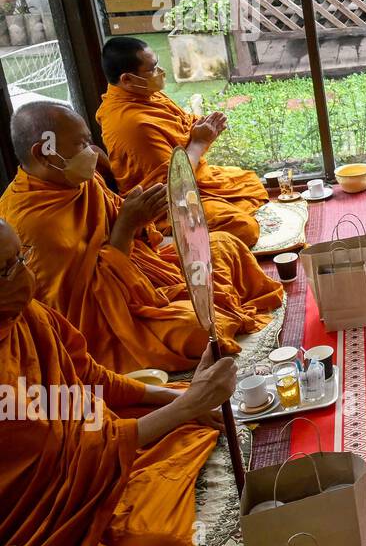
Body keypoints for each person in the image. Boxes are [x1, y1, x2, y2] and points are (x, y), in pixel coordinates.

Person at [0, 218, 237, 546]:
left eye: (22, 256)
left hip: (88, 441)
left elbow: (89, 378)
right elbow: (58, 447)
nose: (24, 273)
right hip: (48, 515)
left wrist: (176, 398)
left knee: (192, 418)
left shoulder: (22, 314)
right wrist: (185, 406)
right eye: (7, 268)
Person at [0, 101, 283, 373]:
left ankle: (212, 303)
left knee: (224, 244)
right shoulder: (32, 223)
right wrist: (127, 224)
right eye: (80, 144)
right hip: (113, 322)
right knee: (197, 328)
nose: (90, 151)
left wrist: (139, 219)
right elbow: (83, 314)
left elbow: (133, 234)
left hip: (145, 274)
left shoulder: (74, 179)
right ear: (43, 153)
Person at [96, 36, 268, 248]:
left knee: (250, 182)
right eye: (151, 69)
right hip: (167, 207)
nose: (160, 73)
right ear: (127, 79)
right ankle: (171, 239)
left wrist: (203, 129)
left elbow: (183, 127)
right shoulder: (134, 125)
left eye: (157, 64)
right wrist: (199, 143)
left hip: (194, 178)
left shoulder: (144, 95)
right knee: (244, 228)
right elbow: (172, 187)